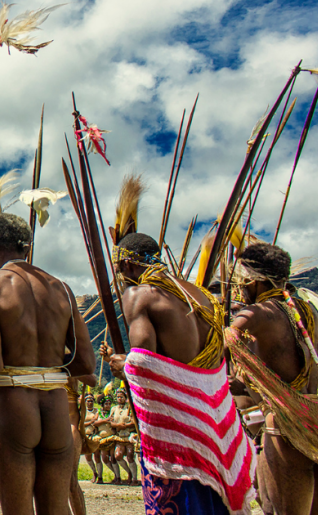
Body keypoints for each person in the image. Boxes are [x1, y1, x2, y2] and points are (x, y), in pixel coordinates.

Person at [98, 176, 256, 515]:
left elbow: (145, 366)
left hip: (178, 435)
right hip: (214, 428)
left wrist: (121, 365)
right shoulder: (202, 296)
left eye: (119, 269)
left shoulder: (139, 295)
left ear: (126, 264)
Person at [0, 172, 95, 515]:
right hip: (56, 409)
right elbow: (85, 364)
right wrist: (46, 365)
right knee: (55, 509)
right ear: (27, 248)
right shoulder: (60, 288)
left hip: (14, 407)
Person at [225, 242, 318, 514]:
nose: (239, 289)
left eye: (241, 280)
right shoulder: (308, 311)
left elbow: (222, 345)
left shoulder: (256, 314)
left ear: (253, 280)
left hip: (285, 425)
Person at [66, 375, 96, 515]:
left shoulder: (70, 355)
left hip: (69, 423)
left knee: (70, 482)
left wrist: (71, 364)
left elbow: (92, 380)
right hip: (45, 420)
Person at [108, 386, 138, 486]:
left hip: (129, 436)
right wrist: (117, 426)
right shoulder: (114, 409)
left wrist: (124, 426)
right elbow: (110, 422)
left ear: (125, 397)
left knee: (130, 457)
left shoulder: (129, 408)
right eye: (118, 397)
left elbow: (134, 422)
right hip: (119, 436)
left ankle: (134, 478)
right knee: (118, 456)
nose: (119, 399)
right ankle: (129, 472)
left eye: (121, 397)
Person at [81, 389, 103, 483]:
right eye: (88, 401)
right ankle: (94, 473)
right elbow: (80, 423)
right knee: (88, 457)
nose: (90, 403)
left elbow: (98, 421)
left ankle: (100, 477)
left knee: (97, 456)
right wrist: (90, 422)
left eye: (91, 401)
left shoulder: (97, 411)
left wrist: (94, 422)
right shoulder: (82, 411)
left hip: (95, 435)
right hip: (85, 436)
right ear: (85, 402)